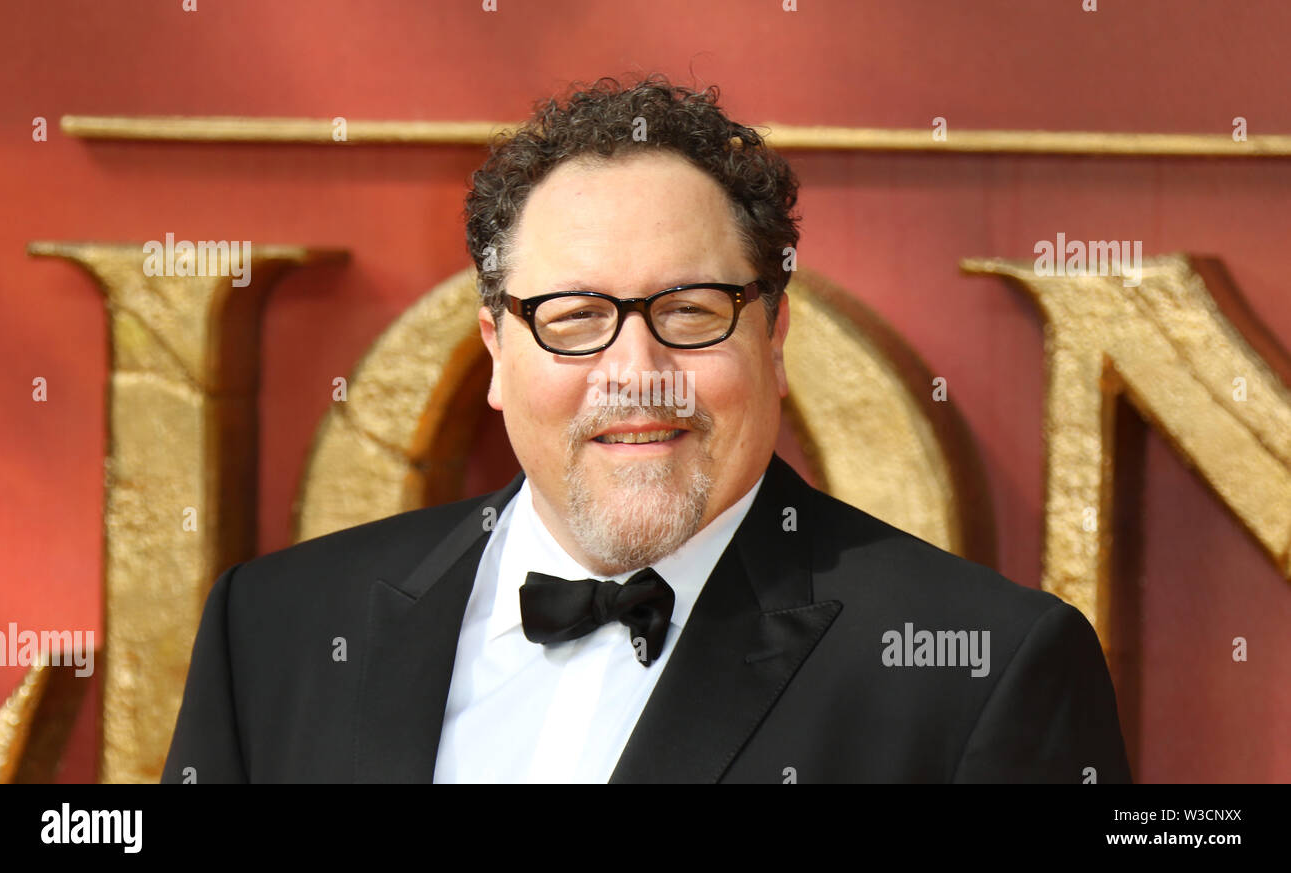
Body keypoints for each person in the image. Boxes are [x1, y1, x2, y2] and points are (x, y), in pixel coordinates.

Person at [162, 75, 1131, 783]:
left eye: (690, 309)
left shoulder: (981, 664)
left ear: (774, 332)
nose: (634, 373)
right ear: (495, 350)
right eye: (575, 317)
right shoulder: (276, 630)